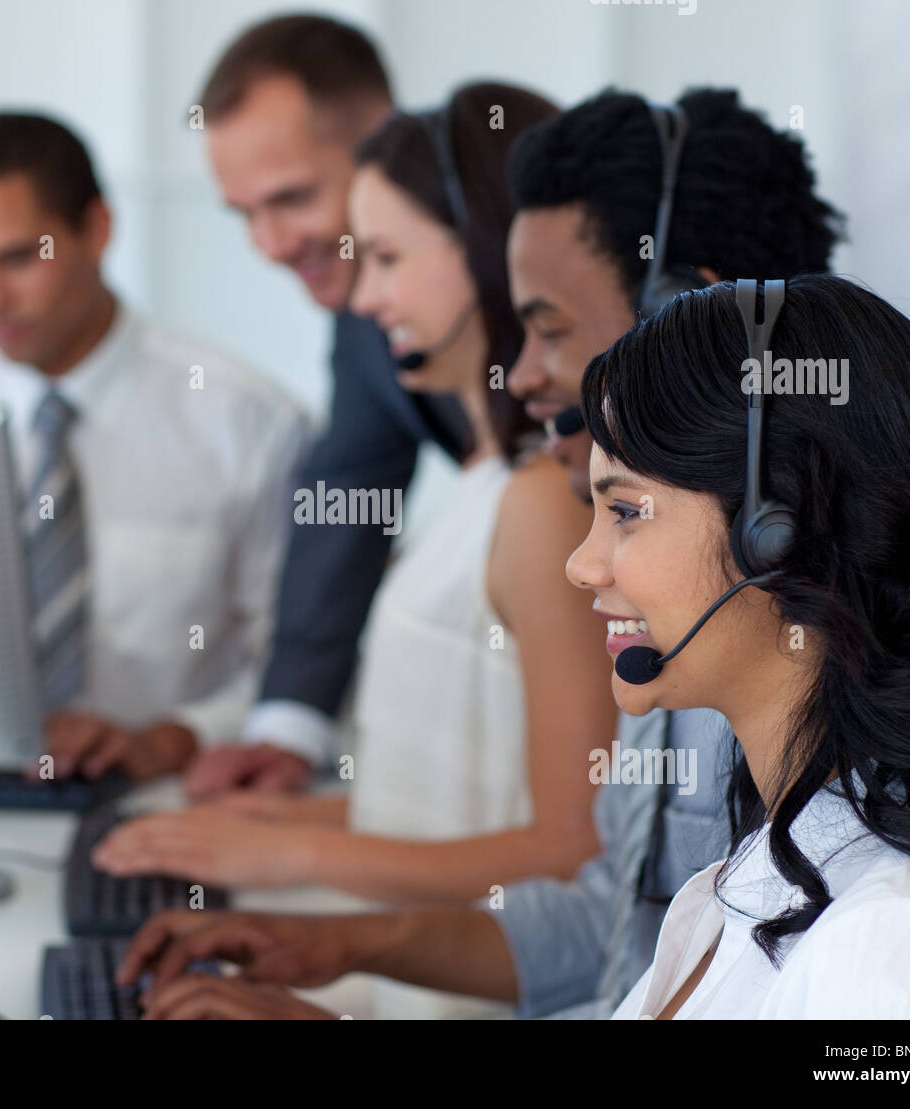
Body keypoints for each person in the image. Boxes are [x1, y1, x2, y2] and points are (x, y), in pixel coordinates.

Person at [109, 88, 849, 1020]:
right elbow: (613, 934)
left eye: (548, 326)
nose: (530, 371)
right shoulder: (673, 628)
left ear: (688, 314)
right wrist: (325, 942)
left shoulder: (843, 730)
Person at [92, 85, 619, 1018]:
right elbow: (461, 782)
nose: (363, 295)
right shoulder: (481, 475)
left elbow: (572, 848)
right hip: (406, 961)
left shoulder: (544, 505)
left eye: (385, 258)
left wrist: (290, 853)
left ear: (489, 251)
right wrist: (287, 819)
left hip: (459, 983)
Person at [573, 274, 910, 1018]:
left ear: (778, 530)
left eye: (625, 511)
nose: (581, 563)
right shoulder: (759, 878)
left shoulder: (897, 944)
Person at [0, 112, 311, 780]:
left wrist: (176, 737)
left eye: (18, 259)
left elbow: (303, 663)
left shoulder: (248, 421)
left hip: (162, 799)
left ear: (97, 229)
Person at [179, 13, 477, 797]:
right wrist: (286, 729)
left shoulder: (544, 279)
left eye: (291, 198)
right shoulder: (364, 315)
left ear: (383, 139)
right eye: (244, 214)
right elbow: (345, 502)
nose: (270, 245)